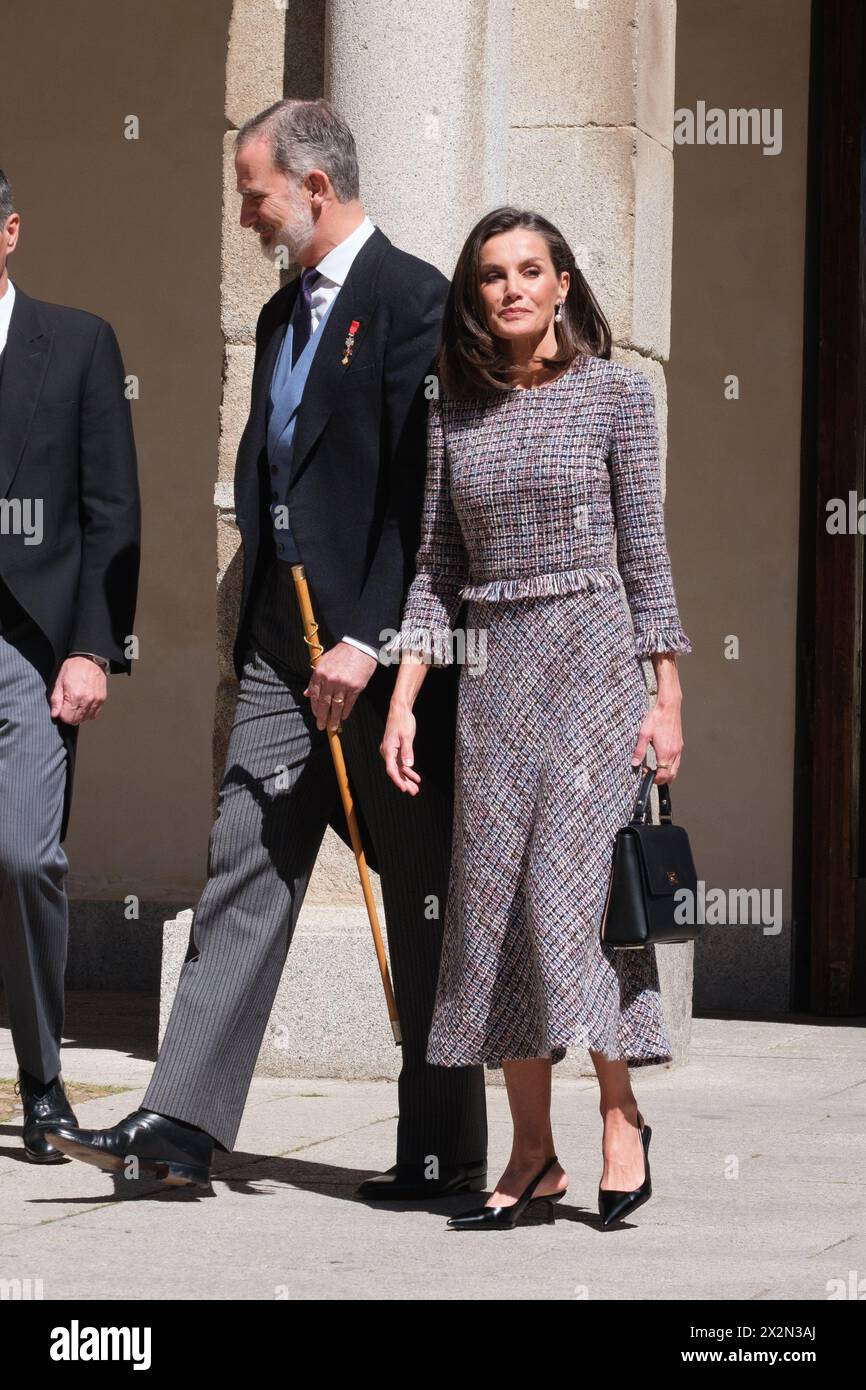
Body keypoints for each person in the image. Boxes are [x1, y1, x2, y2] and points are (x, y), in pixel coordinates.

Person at [48, 100, 487, 1195]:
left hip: (383, 667)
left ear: (313, 187)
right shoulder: (288, 313)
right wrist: (277, 641)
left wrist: (371, 636)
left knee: (422, 891)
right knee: (242, 860)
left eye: (254, 192)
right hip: (279, 656)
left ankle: (440, 1149)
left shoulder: (410, 301)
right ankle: (182, 1126)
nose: (246, 213)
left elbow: (425, 500)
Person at [381, 206, 692, 1230]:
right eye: (490, 276)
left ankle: (616, 1114)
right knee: (496, 910)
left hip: (596, 665)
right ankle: (529, 1151)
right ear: (474, 296)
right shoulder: (453, 412)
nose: (510, 289)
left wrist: (667, 697)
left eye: (528, 271)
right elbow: (437, 567)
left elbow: (646, 557)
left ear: (562, 283)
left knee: (573, 898)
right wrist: (404, 697)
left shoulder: (614, 394)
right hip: (494, 678)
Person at [0, 167, 140, 1162]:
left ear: (9, 232)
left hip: (31, 642)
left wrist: (95, 645)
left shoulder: (80, 344)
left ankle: (43, 1083)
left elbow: (111, 512)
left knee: (22, 855)